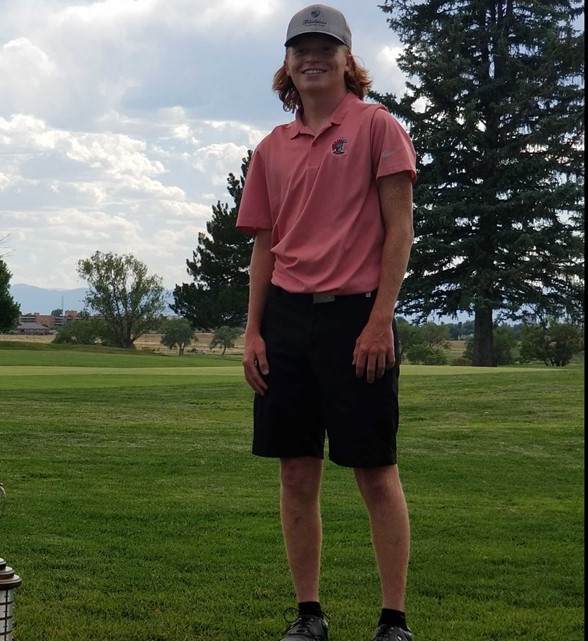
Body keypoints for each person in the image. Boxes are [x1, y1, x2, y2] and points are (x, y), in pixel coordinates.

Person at [236, 5, 417, 641]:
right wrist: (253, 332)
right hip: (286, 321)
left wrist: (380, 320)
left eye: (326, 48)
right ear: (287, 63)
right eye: (301, 49)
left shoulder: (377, 126)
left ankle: (393, 619)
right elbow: (264, 249)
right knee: (295, 472)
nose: (312, 58)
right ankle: (309, 614)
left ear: (347, 59)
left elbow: (400, 230)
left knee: (375, 471)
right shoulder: (270, 148)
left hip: (357, 318)